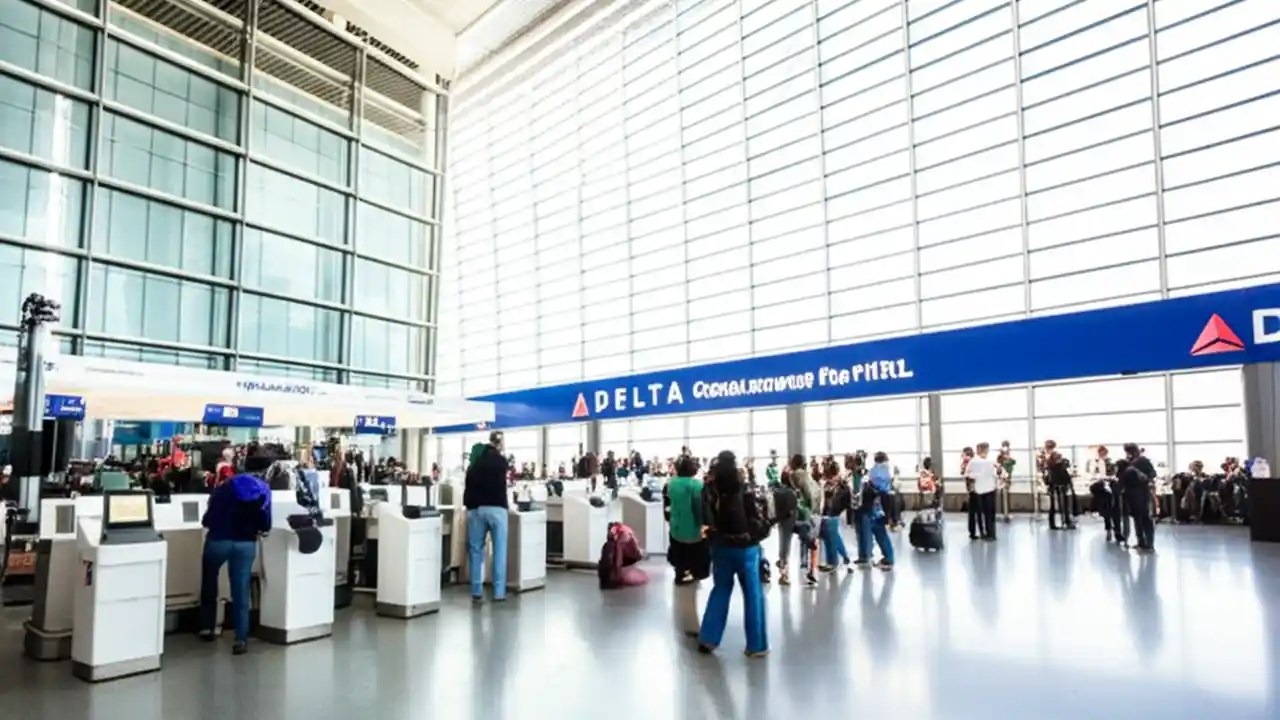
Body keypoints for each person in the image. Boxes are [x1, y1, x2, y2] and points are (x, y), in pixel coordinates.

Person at [697, 451, 769, 657]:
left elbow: (706, 518)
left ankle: (708, 638)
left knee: (720, 590)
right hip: (747, 549)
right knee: (753, 594)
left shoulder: (710, 489)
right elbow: (757, 516)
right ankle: (757, 646)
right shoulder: (745, 488)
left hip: (721, 546)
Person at [198, 470, 272, 655]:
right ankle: (241, 639)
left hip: (218, 542)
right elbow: (265, 524)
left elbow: (207, 520)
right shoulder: (262, 491)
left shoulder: (221, 491)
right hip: (246, 545)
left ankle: (207, 628)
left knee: (209, 580)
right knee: (240, 591)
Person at [665, 455, 710, 637]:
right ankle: (692, 624)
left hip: (676, 531)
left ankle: (684, 616)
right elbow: (700, 510)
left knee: (682, 571)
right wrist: (705, 527)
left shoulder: (672, 484)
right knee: (695, 575)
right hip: (694, 534)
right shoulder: (696, 486)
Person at [464, 432, 510, 603]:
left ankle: (476, 591)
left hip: (475, 510)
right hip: (497, 508)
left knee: (476, 551)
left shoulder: (473, 465)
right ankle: (499, 592)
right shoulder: (501, 461)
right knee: (499, 550)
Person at [788, 454, 821, 585]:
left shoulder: (795, 475)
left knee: (806, 537)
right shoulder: (808, 475)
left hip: (804, 510)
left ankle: (805, 564)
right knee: (812, 539)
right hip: (813, 510)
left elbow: (803, 493)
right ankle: (812, 569)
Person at [818, 460, 853, 572]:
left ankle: (833, 562)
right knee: (833, 537)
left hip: (832, 514)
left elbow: (838, 501)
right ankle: (845, 557)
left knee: (831, 538)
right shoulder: (834, 484)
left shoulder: (840, 485)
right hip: (829, 513)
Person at [864, 452, 896, 570]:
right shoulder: (887, 471)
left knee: (878, 532)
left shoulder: (876, 471)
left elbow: (872, 485)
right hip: (883, 505)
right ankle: (887, 556)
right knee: (880, 532)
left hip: (876, 505)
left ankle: (888, 558)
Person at [1122, 444, 1156, 552]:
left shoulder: (1142, 462)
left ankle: (1148, 543)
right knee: (1139, 518)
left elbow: (1152, 474)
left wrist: (1145, 478)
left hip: (1140, 492)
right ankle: (1142, 542)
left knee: (1144, 518)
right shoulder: (1129, 463)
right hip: (1134, 493)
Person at [966, 443, 999, 541]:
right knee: (990, 514)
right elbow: (998, 473)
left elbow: (968, 474)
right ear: (986, 450)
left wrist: (977, 476)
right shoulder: (991, 462)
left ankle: (984, 533)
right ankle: (991, 534)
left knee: (981, 513)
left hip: (979, 490)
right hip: (990, 489)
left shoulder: (973, 462)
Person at [1046, 451, 1076, 530]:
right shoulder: (1055, 467)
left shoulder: (1053, 466)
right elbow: (1061, 476)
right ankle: (1064, 522)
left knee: (1062, 505)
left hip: (1058, 487)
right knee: (1060, 505)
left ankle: (1063, 522)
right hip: (1058, 487)